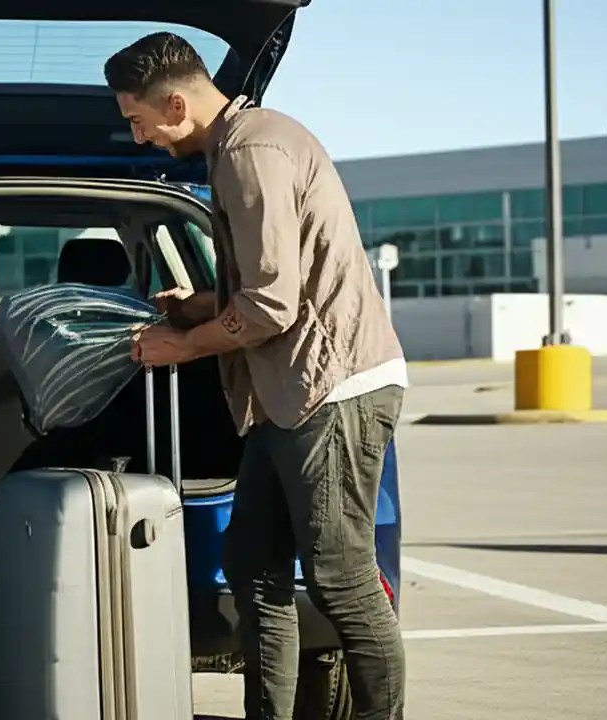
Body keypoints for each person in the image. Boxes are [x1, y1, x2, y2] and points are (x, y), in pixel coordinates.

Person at [104, 33, 408, 720]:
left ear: (176, 103)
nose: (139, 135)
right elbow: (269, 283)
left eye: (138, 119)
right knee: (253, 566)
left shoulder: (250, 153)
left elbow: (273, 305)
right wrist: (199, 306)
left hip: (333, 389)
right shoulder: (244, 144)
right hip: (288, 394)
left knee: (341, 577)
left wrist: (183, 345)